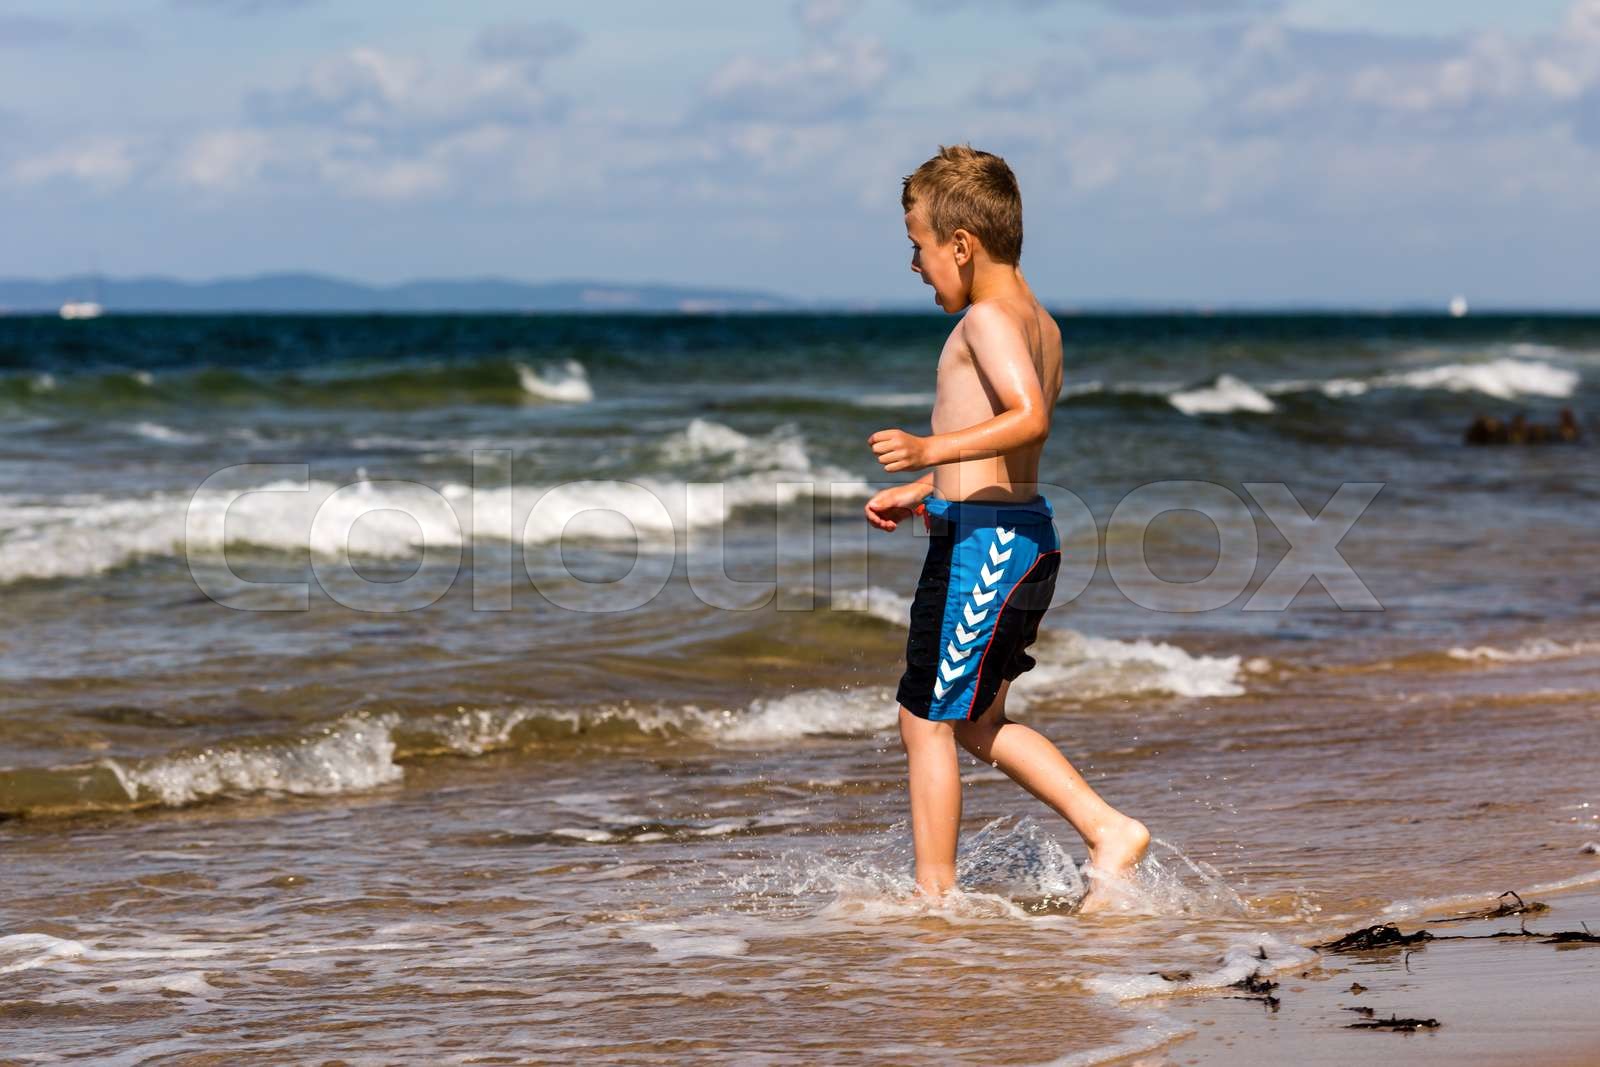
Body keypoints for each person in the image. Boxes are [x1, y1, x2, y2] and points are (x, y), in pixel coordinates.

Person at [864, 145, 1149, 913]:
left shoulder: (990, 319)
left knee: (925, 718)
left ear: (961, 245)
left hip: (986, 548)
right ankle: (1107, 828)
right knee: (976, 721)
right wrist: (926, 487)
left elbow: (1030, 418)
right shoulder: (1037, 321)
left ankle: (935, 904)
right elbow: (1006, 440)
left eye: (919, 246)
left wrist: (929, 450)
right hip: (1007, 532)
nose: (916, 265)